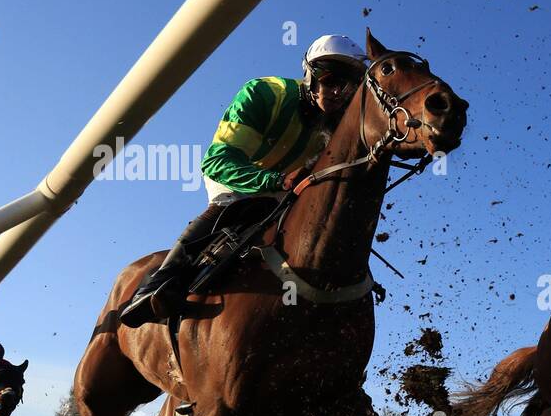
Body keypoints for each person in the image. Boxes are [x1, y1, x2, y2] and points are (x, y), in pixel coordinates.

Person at [118, 34, 370, 327]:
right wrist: (276, 180)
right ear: (310, 78)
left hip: (286, 190)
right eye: (330, 81)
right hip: (239, 177)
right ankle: (158, 283)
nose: (338, 93)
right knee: (235, 206)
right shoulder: (264, 94)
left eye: (348, 86)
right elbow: (218, 162)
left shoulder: (339, 125)